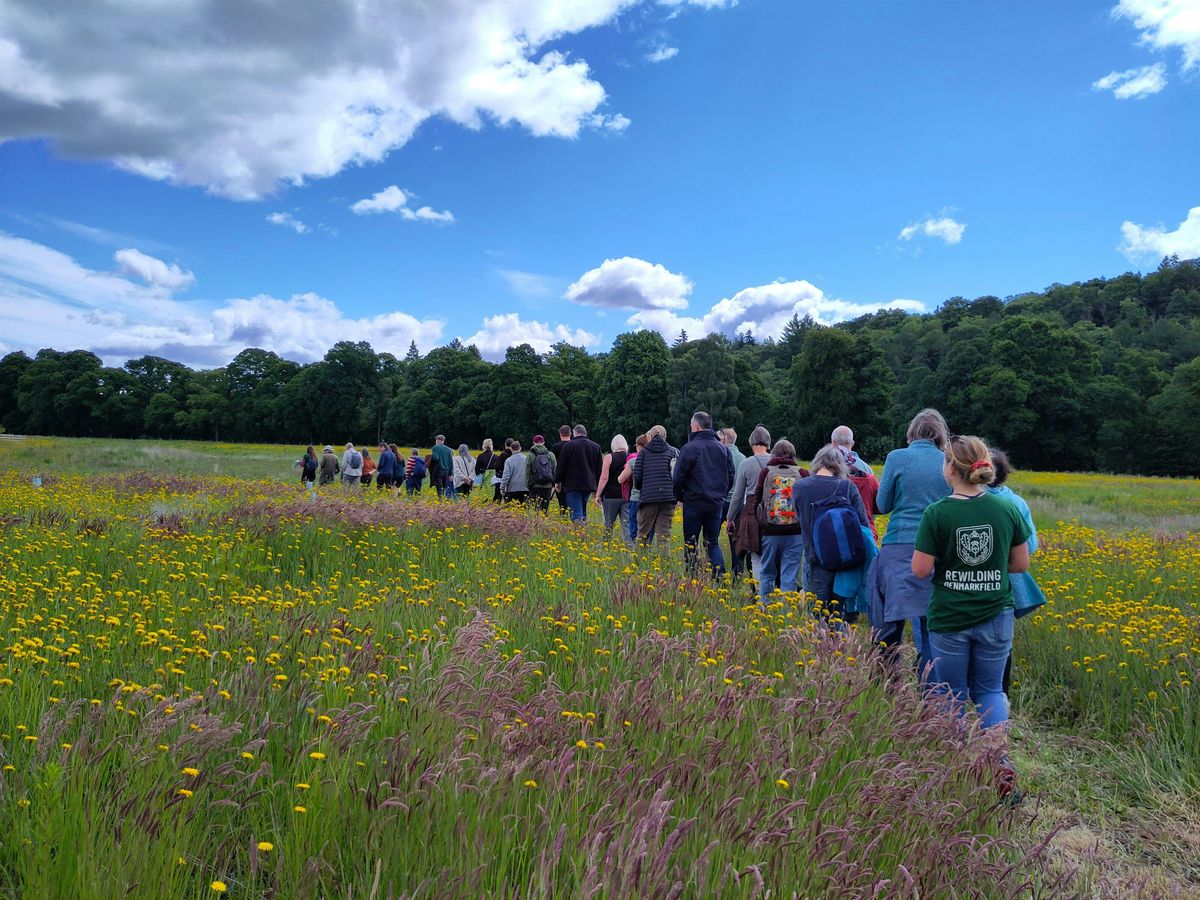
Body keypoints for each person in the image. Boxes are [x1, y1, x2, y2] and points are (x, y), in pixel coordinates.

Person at [913, 436, 1030, 797]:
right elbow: (1021, 564)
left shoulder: (937, 513)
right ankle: (999, 762)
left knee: (951, 693)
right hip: (997, 614)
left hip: (950, 617)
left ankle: (958, 764)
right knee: (990, 690)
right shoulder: (1005, 509)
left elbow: (920, 570)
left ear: (950, 468)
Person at [869, 408, 952, 678]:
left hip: (898, 546)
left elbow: (883, 504)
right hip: (937, 549)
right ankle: (931, 689)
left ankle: (885, 685)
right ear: (940, 434)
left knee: (889, 622)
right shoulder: (948, 461)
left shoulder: (897, 458)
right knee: (932, 625)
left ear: (911, 432)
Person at [784, 444, 870, 623]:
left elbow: (798, 516)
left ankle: (818, 650)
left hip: (814, 561)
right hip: (845, 562)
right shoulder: (847, 486)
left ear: (817, 462)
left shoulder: (800, 486)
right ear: (839, 465)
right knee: (839, 615)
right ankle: (839, 648)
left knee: (816, 615)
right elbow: (863, 524)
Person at [987, 449, 1047, 693]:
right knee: (1002, 641)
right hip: (1008, 580)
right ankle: (1000, 693)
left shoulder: (964, 499)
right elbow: (1030, 546)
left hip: (968, 581)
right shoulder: (1017, 503)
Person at [672, 411, 735, 577]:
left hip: (693, 501)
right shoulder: (723, 449)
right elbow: (730, 476)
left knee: (691, 542)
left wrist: (679, 496)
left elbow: (678, 477)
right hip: (715, 503)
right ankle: (720, 576)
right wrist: (721, 494)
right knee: (712, 542)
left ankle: (692, 576)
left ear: (696, 426)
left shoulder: (689, 448)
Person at [750, 439, 808, 602]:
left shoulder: (766, 472)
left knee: (767, 572)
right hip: (795, 532)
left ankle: (765, 606)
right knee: (789, 574)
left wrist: (760, 522)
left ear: (773, 453)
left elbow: (757, 499)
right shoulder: (802, 473)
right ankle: (786, 611)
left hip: (770, 531)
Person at [728, 425, 773, 588]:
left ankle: (759, 594)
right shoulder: (775, 461)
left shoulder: (746, 464)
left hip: (752, 512)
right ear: (768, 442)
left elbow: (737, 496)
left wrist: (730, 518)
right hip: (773, 512)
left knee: (755, 555)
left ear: (752, 442)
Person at [633, 425, 677, 548]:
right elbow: (676, 475)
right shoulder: (672, 452)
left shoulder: (644, 452)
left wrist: (641, 488)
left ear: (650, 436)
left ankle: (638, 564)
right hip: (668, 498)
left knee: (642, 535)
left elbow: (637, 476)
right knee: (664, 536)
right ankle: (664, 565)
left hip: (648, 498)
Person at [556, 425, 602, 522]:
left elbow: (561, 465)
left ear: (574, 433)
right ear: (585, 433)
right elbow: (599, 469)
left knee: (576, 511)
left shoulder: (568, 446)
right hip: (589, 484)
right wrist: (597, 486)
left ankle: (579, 534)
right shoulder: (596, 447)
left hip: (573, 484)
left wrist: (557, 481)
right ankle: (583, 526)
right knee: (583, 508)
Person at [720, 428, 747, 579]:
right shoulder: (743, 457)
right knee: (735, 541)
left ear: (724, 439)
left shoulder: (720, 455)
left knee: (710, 539)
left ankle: (719, 571)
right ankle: (738, 574)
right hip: (738, 505)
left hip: (721, 501)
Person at [594, 435, 631, 535]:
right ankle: (630, 547)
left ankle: (606, 546)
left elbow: (604, 477)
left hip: (611, 496)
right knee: (626, 524)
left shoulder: (609, 457)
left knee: (609, 524)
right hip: (626, 495)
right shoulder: (631, 457)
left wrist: (598, 494)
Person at [618, 434, 648, 542]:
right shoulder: (653, 460)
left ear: (639, 446)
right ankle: (646, 546)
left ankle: (636, 545)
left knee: (633, 522)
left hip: (635, 497)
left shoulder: (633, 461)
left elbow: (620, 479)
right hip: (649, 498)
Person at [525, 435, 557, 512]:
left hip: (535, 485)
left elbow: (528, 471)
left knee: (536, 509)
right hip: (548, 485)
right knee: (545, 509)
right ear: (544, 442)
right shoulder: (551, 454)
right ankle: (545, 522)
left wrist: (527, 484)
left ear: (533, 442)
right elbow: (554, 469)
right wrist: (554, 483)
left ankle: (537, 522)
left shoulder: (530, 455)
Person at [549, 425, 572, 516]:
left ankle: (564, 518)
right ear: (570, 434)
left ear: (560, 434)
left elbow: (553, 464)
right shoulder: (574, 445)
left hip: (560, 479)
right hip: (573, 478)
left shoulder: (555, 447)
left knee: (562, 503)